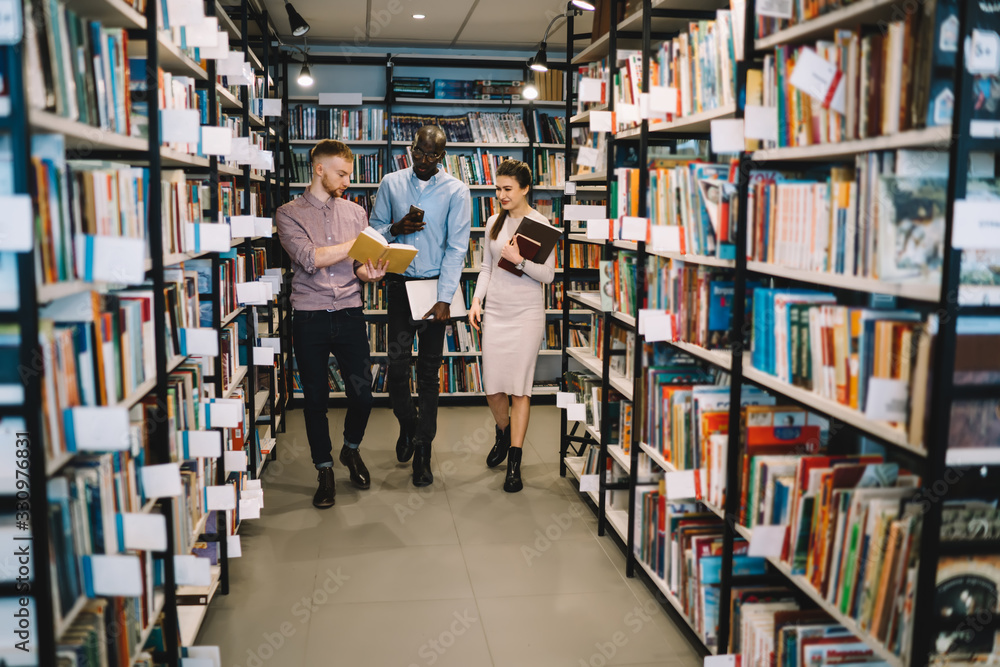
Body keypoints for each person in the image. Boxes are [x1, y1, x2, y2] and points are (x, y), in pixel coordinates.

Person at [276, 139, 388, 509]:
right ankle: (323, 468)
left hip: (350, 313)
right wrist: (357, 243)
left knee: (363, 394)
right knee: (316, 400)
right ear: (319, 169)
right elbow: (310, 258)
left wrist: (368, 273)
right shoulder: (288, 213)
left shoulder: (356, 212)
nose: (346, 181)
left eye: (349, 174)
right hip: (309, 317)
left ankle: (350, 449)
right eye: (341, 173)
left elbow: (355, 264)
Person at [370, 125, 472, 487]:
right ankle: (408, 425)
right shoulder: (391, 183)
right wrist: (396, 228)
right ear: (410, 148)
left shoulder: (457, 190)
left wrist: (445, 297)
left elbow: (457, 248)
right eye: (419, 153)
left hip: (434, 291)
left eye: (433, 156)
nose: (424, 161)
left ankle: (423, 450)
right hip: (399, 287)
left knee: (429, 374)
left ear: (442, 156)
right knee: (397, 369)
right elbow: (373, 232)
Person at [469, 160, 556, 492]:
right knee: (493, 388)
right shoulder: (493, 222)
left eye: (507, 189)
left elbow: (548, 276)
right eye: (497, 188)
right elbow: (486, 269)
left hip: (526, 315)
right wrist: (477, 302)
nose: (500, 194)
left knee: (520, 389)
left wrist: (521, 260)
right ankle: (503, 433)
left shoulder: (539, 224)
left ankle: (515, 462)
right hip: (497, 314)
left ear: (524, 189)